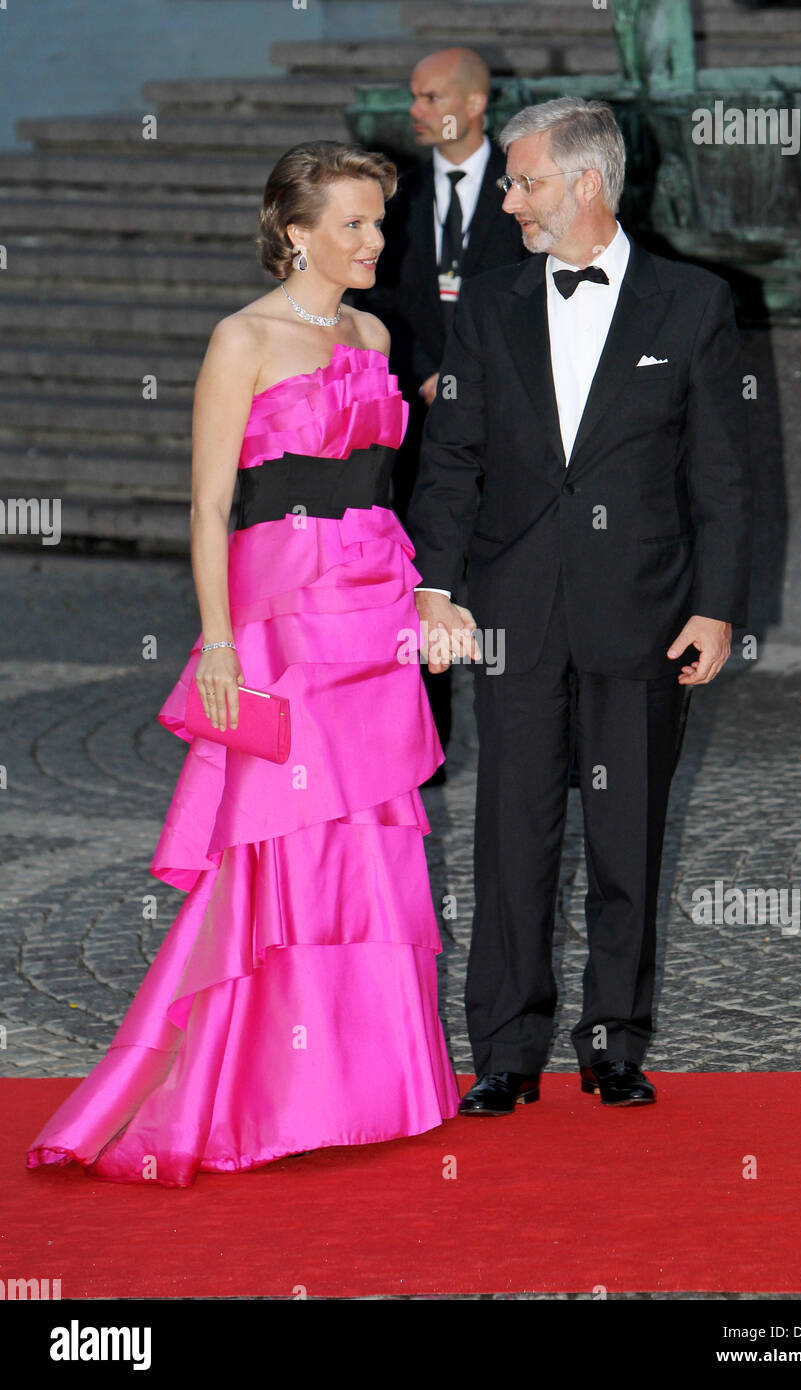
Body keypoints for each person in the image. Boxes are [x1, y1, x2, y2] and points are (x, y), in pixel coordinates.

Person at [25, 141, 460, 1187]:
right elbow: (211, 504)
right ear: (294, 231)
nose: (373, 241)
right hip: (280, 610)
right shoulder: (242, 338)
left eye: (378, 222)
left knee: (366, 831)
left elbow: (385, 478)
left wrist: (429, 597)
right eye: (353, 223)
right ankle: (251, 1086)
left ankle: (369, 1084)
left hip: (373, 600)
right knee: (277, 837)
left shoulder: (373, 329)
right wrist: (216, 643)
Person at [405, 98, 752, 1116]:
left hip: (640, 610)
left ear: (586, 183)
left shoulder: (692, 303)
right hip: (511, 613)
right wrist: (433, 588)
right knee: (509, 831)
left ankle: (614, 1039)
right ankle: (505, 1049)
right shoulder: (487, 301)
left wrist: (717, 606)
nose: (508, 200)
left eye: (523, 182)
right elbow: (451, 460)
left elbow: (723, 474)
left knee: (626, 829)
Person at [363, 46, 528, 776]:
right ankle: (422, 746)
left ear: (475, 102)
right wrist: (426, 372)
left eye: (430, 97)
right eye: (414, 96)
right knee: (423, 574)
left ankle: (525, 733)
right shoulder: (395, 201)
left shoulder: (522, 187)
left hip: (513, 419)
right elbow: (378, 300)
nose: (417, 111)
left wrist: (474, 378)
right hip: (420, 417)